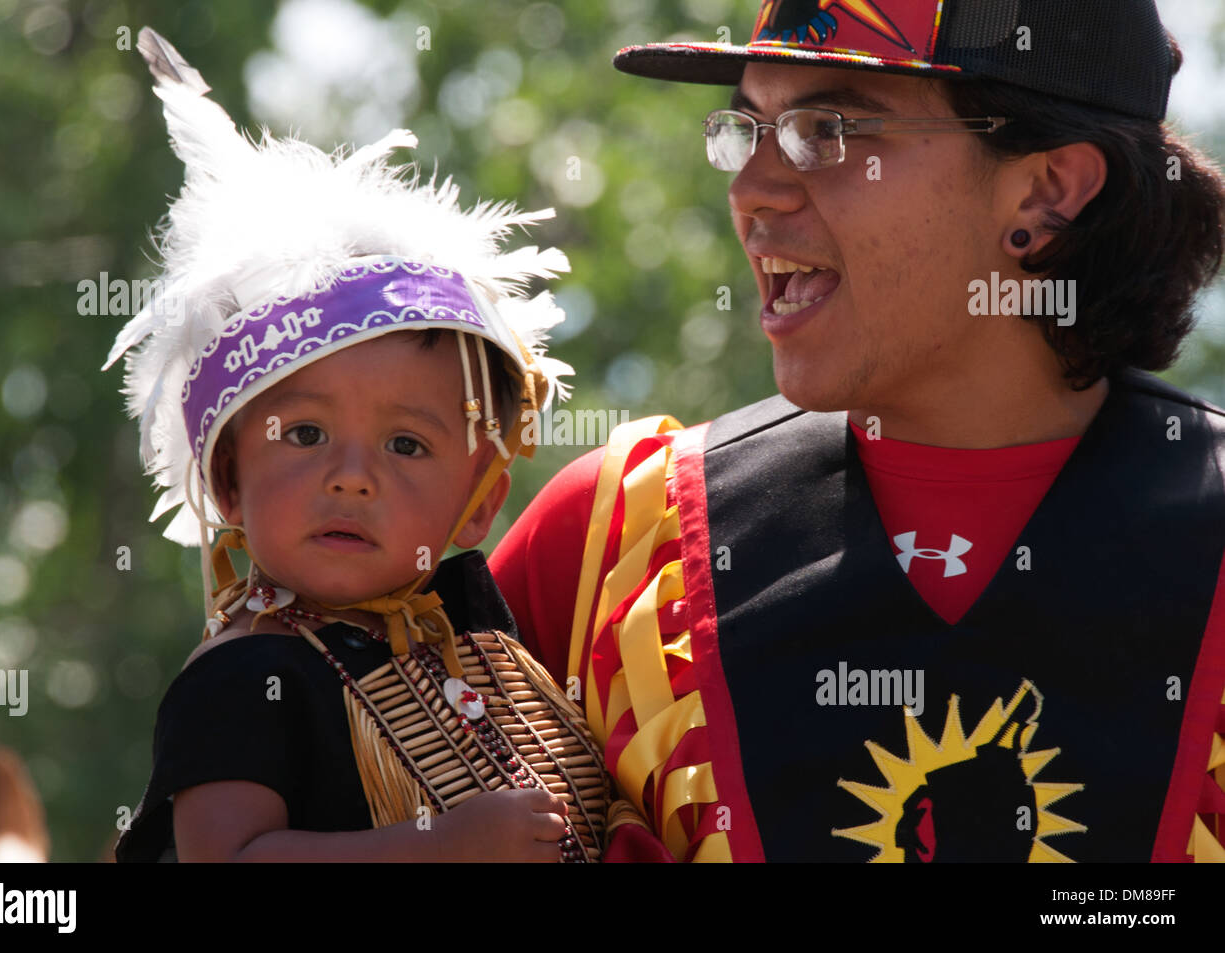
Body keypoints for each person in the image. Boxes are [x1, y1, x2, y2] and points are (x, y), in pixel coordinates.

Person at [490, 0, 1225, 862]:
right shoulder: (611, 550)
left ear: (1045, 190)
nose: (749, 190)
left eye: (827, 128)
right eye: (747, 128)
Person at [110, 29, 608, 863]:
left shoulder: (495, 652)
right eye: (303, 434)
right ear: (230, 482)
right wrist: (443, 846)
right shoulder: (242, 678)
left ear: (482, 501)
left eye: (407, 445)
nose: (351, 479)